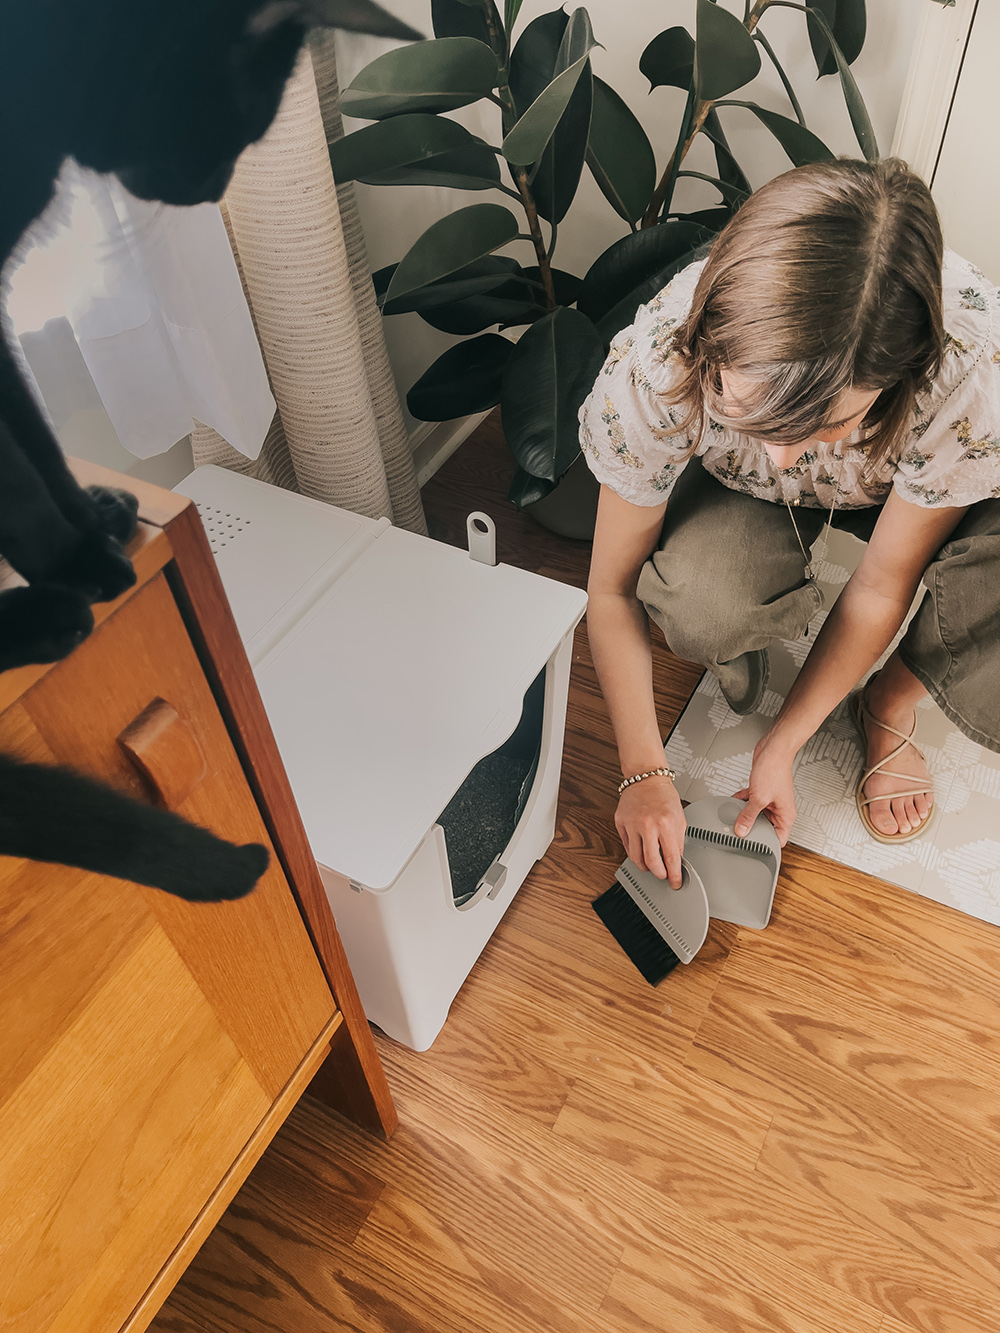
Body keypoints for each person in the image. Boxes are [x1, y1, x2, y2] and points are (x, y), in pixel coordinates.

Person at [581, 157, 1000, 888]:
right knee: (701, 604)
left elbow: (878, 587)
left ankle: (891, 693)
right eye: (753, 416)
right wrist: (642, 771)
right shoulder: (657, 364)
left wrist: (784, 742)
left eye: (825, 424)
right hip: (734, 492)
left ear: (897, 381)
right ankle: (747, 623)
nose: (780, 456)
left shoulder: (966, 368)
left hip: (906, 486)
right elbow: (611, 591)